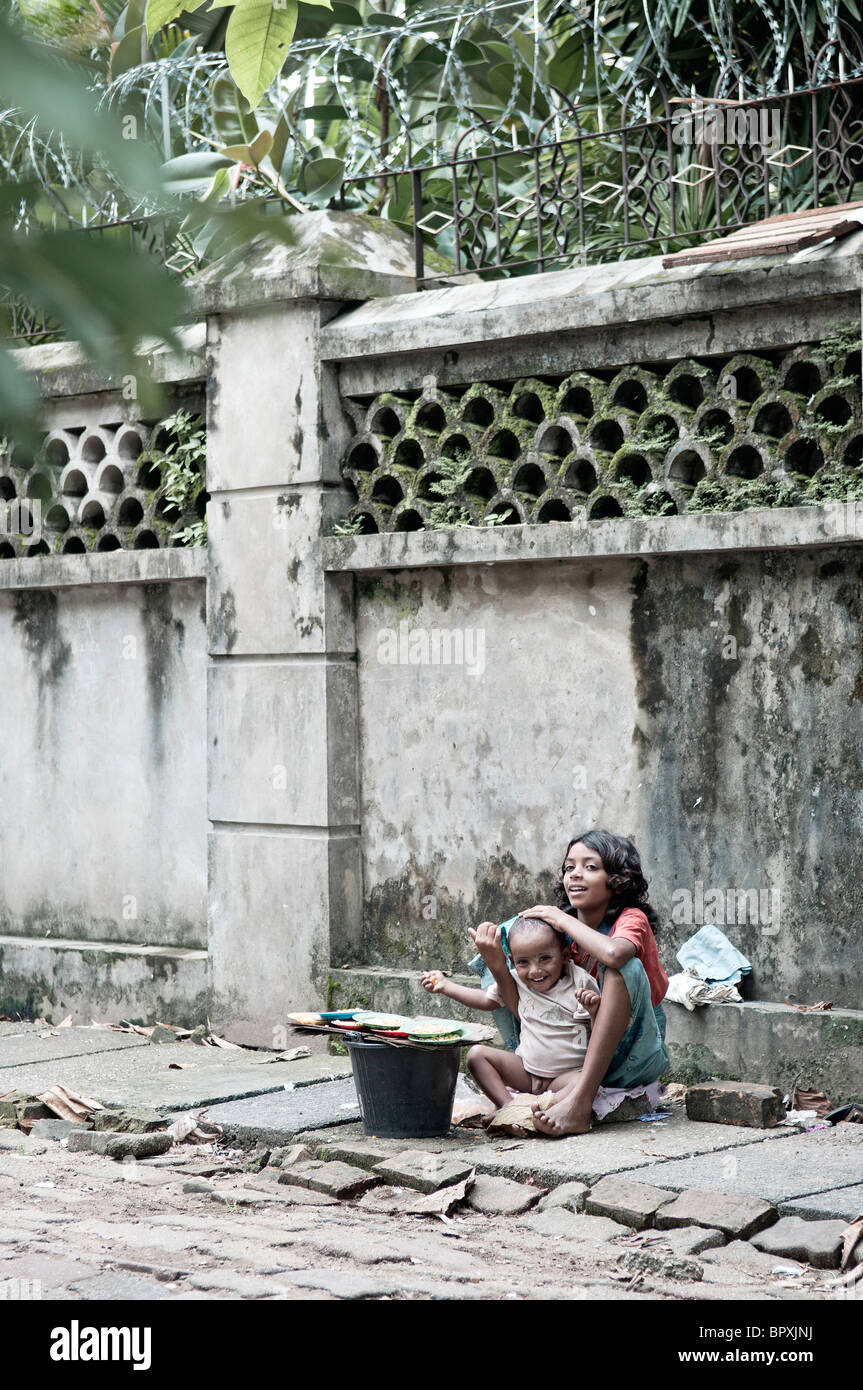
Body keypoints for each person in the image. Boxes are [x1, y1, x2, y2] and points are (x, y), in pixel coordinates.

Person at [516, 829, 669, 1136]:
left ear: (617, 880)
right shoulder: (559, 928)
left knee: (622, 966)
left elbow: (614, 953)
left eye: (590, 867)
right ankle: (537, 1072)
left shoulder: (631, 918)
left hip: (630, 1056)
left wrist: (562, 920)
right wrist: (493, 951)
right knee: (519, 949)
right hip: (566, 1057)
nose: (575, 875)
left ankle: (580, 1104)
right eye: (569, 867)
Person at [421, 915, 600, 1112]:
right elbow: (486, 1001)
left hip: (565, 1077)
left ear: (565, 955)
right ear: (512, 962)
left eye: (545, 959)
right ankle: (508, 1106)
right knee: (476, 1056)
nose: (535, 971)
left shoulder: (579, 983)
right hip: (527, 1071)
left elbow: (600, 1033)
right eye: (523, 962)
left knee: (587, 1081)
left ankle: (541, 1107)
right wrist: (445, 986)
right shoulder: (517, 981)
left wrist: (594, 1011)